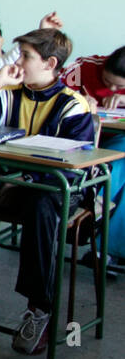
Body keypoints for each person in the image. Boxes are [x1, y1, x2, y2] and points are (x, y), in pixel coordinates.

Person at [0, 28, 95, 354]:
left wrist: (22, 166)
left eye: (26, 56)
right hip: (14, 181)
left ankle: (39, 309)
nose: (18, 62)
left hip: (55, 190)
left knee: (42, 206)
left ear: (51, 63)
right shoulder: (8, 93)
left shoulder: (73, 106)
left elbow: (73, 165)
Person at [62, 45, 125, 269]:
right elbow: (57, 88)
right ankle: (103, 238)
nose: (112, 88)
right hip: (82, 139)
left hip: (118, 141)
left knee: (120, 161)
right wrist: (79, 100)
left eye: (120, 86)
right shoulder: (85, 67)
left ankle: (97, 209)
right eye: (107, 82)